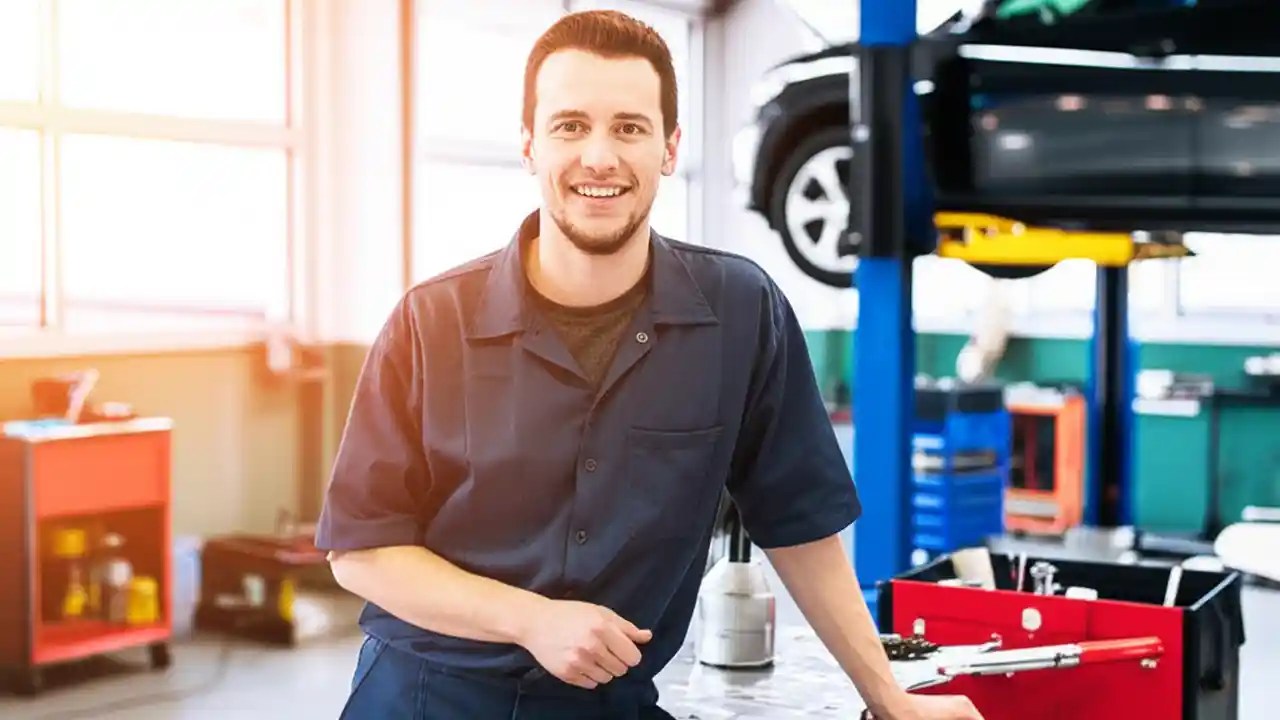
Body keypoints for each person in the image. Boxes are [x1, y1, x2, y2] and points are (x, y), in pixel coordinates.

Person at [315, 9, 983, 720]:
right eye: (570, 126)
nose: (599, 156)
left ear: (669, 147)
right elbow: (362, 549)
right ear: (529, 145)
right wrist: (529, 619)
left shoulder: (739, 314)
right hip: (425, 698)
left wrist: (890, 698)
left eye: (629, 128)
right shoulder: (431, 321)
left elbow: (801, 525)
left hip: (611, 702)